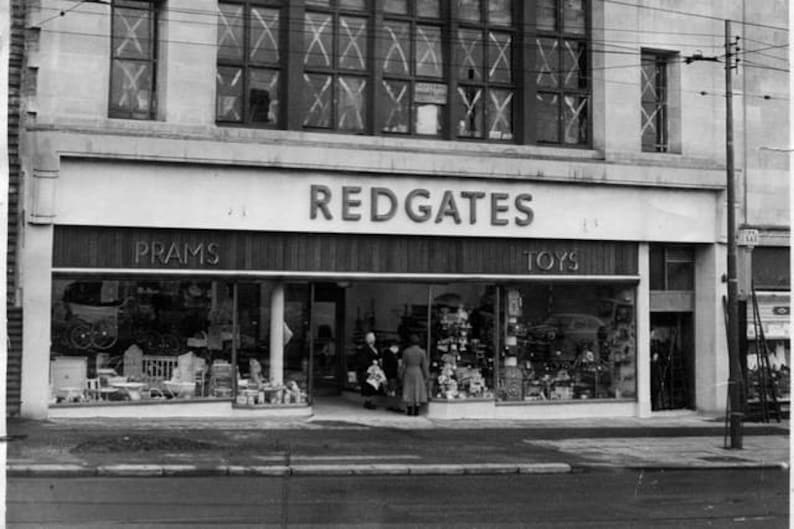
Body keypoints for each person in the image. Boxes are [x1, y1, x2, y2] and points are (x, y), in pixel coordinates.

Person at [400, 334, 429, 416]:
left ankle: (409, 409)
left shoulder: (406, 352)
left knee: (409, 390)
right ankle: (416, 410)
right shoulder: (422, 352)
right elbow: (424, 366)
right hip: (417, 371)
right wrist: (427, 376)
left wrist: (400, 375)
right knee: (417, 389)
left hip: (408, 371)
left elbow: (403, 365)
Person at [358, 332, 382, 409]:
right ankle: (368, 402)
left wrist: (379, 361)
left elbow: (379, 356)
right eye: (371, 338)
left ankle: (370, 401)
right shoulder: (365, 349)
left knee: (373, 385)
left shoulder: (376, 348)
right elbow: (363, 360)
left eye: (373, 338)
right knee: (368, 385)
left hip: (376, 369)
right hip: (368, 370)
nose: (373, 340)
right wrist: (372, 363)